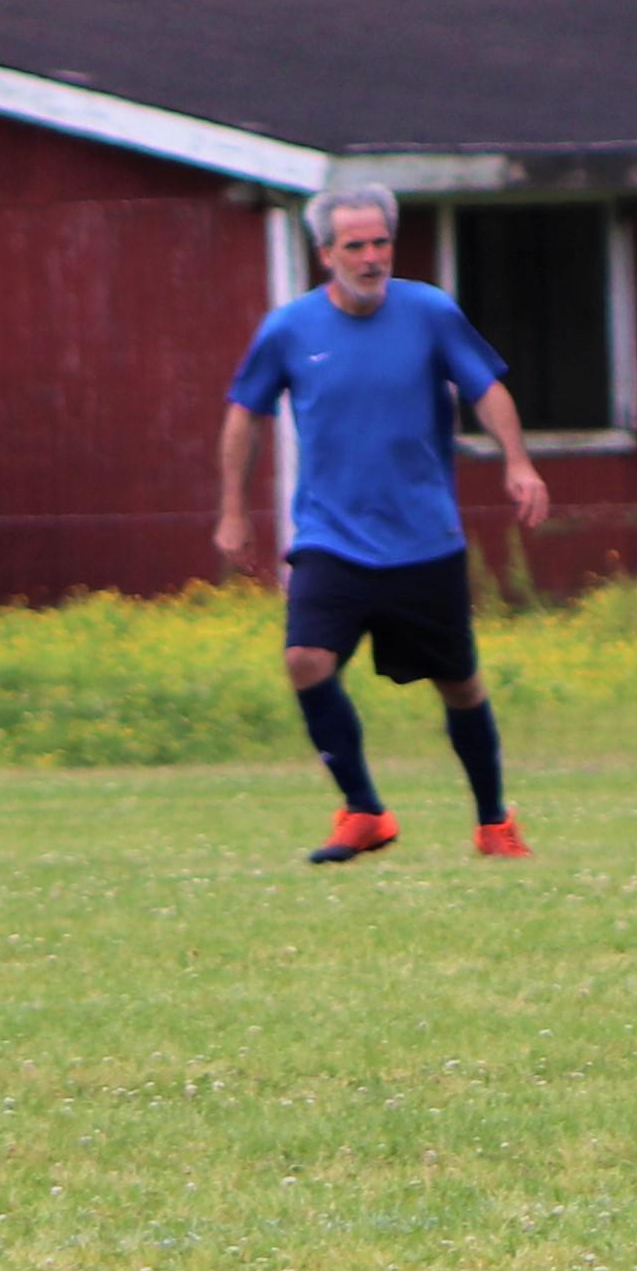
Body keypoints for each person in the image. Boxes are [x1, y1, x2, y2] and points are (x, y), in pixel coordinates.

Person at [214, 190, 548, 863]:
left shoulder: (430, 313)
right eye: (355, 247)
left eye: (380, 244)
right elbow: (245, 415)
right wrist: (231, 508)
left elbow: (486, 388)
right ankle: (364, 810)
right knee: (305, 660)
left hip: (424, 540)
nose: (371, 258)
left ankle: (493, 821)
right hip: (331, 538)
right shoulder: (288, 330)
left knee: (459, 683)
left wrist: (517, 462)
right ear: (326, 254)